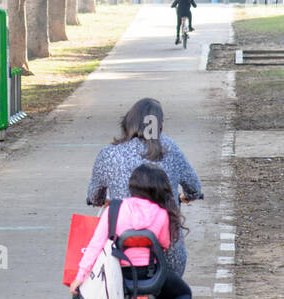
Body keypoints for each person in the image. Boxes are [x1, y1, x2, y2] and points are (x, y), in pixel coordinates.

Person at [70, 163, 192, 299]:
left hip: (119, 276)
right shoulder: (161, 214)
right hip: (152, 276)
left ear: (132, 185)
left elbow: (95, 245)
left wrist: (80, 277)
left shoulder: (114, 210)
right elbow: (165, 243)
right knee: (182, 294)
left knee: (84, 298)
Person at [86, 97, 202, 277]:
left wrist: (104, 200)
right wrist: (188, 195)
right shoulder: (170, 149)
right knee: (176, 294)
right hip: (166, 253)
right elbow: (194, 187)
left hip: (119, 253)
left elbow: (94, 197)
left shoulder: (108, 154)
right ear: (159, 124)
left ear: (128, 121)